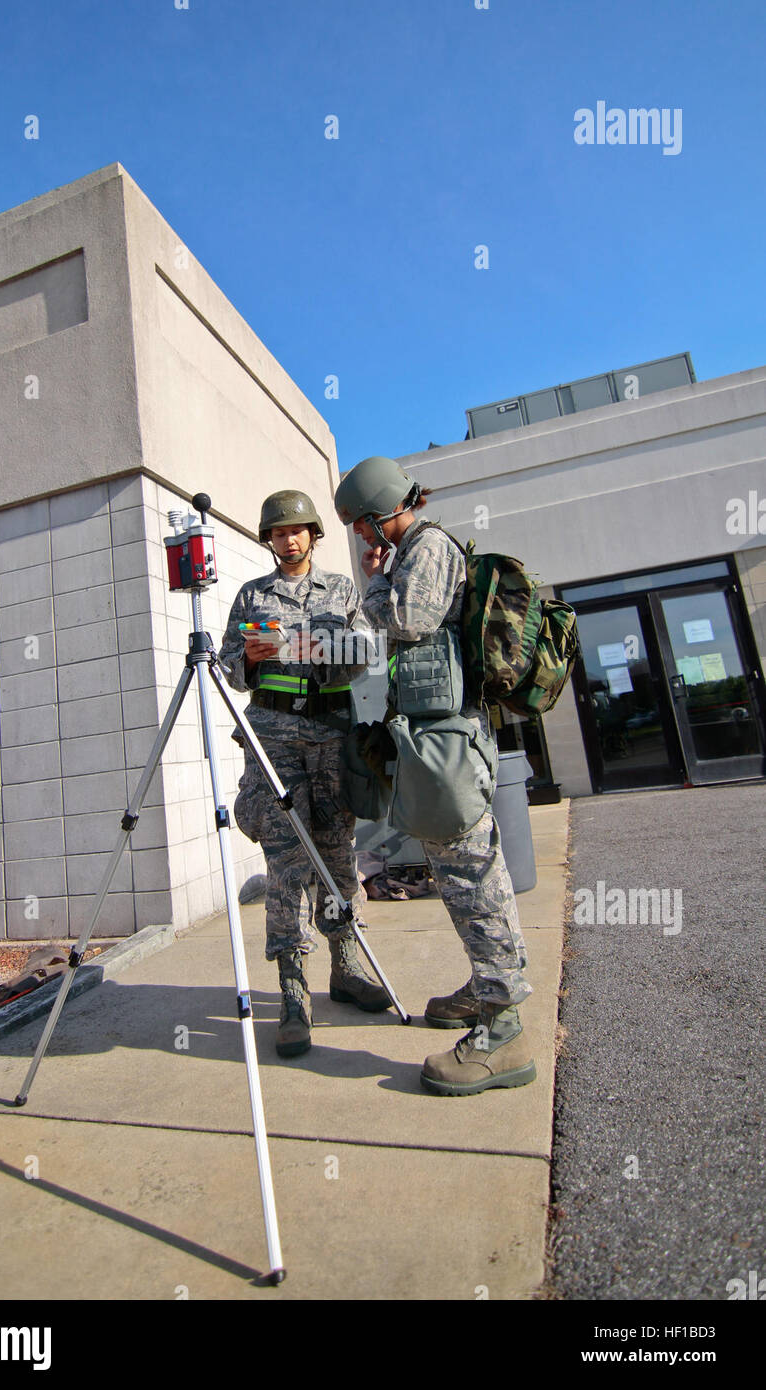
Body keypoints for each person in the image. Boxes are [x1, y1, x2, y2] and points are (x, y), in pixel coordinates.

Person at [334, 456, 536, 1095]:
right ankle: (485, 988)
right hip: (431, 734)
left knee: (473, 873)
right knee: (458, 871)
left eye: (365, 526)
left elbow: (407, 622)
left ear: (381, 512)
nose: (365, 538)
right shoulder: (413, 552)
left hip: (448, 737)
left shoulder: (426, 548)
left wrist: (370, 588)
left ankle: (503, 1030)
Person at [219, 489, 391, 1058]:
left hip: (331, 731)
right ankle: (294, 990)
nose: (287, 540)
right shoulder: (250, 595)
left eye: (297, 531)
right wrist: (250, 657)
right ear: (267, 539)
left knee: (338, 849)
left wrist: (337, 647)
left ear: (313, 535)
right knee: (287, 858)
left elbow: (370, 645)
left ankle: (346, 965)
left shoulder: (341, 589)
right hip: (273, 734)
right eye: (277, 532)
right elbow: (227, 672)